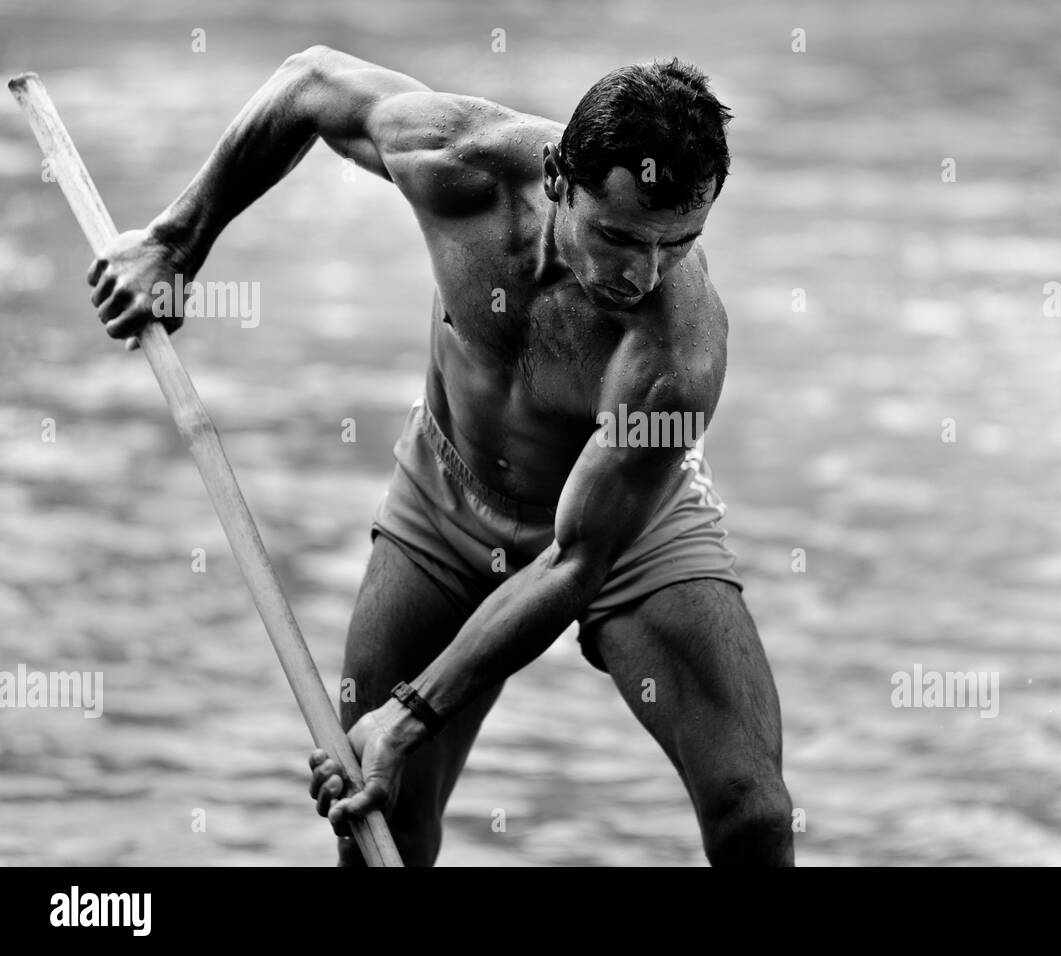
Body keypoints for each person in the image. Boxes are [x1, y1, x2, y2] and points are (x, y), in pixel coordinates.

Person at [86, 46, 793, 866]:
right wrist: (177, 242)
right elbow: (310, 84)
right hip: (447, 498)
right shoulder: (462, 164)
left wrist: (412, 710)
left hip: (622, 532)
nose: (643, 273)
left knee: (755, 815)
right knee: (374, 805)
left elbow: (573, 561)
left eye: (678, 243)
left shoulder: (677, 353)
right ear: (558, 175)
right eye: (618, 235)